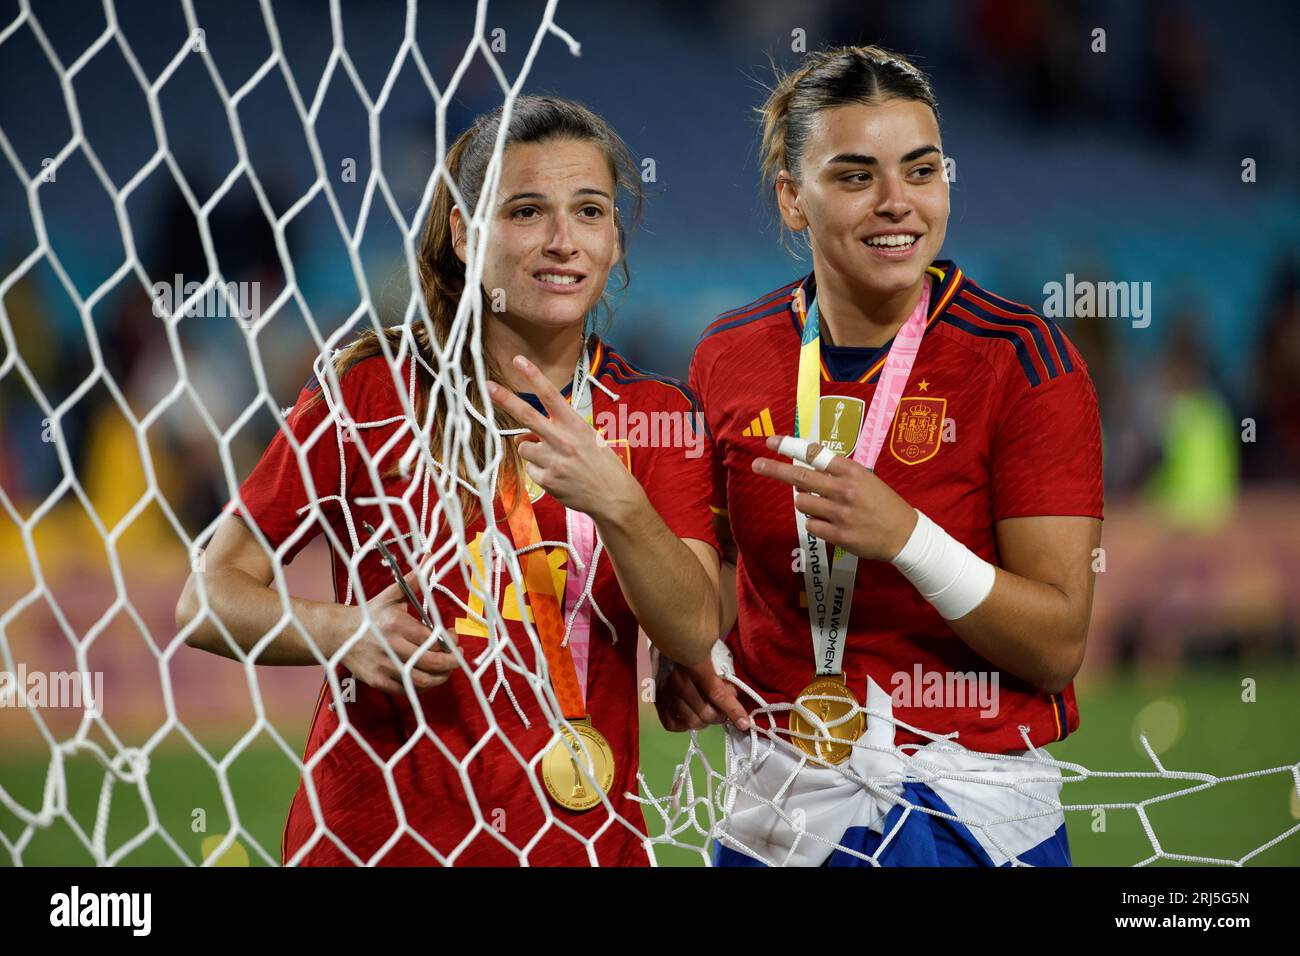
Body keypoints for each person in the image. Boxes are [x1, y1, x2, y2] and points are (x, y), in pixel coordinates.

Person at [176, 96, 721, 866]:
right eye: (527, 211)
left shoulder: (656, 416)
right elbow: (207, 596)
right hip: (374, 839)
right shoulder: (369, 393)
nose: (564, 241)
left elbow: (692, 630)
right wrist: (341, 632)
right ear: (465, 234)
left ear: (614, 237)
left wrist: (620, 504)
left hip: (574, 844)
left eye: (590, 211)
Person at [657, 46, 1104, 867]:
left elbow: (1055, 644)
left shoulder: (1023, 359)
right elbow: (718, 586)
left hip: (970, 822)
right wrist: (694, 656)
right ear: (793, 198)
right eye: (856, 176)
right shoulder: (727, 356)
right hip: (780, 814)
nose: (897, 202)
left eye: (921, 170)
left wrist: (908, 537)